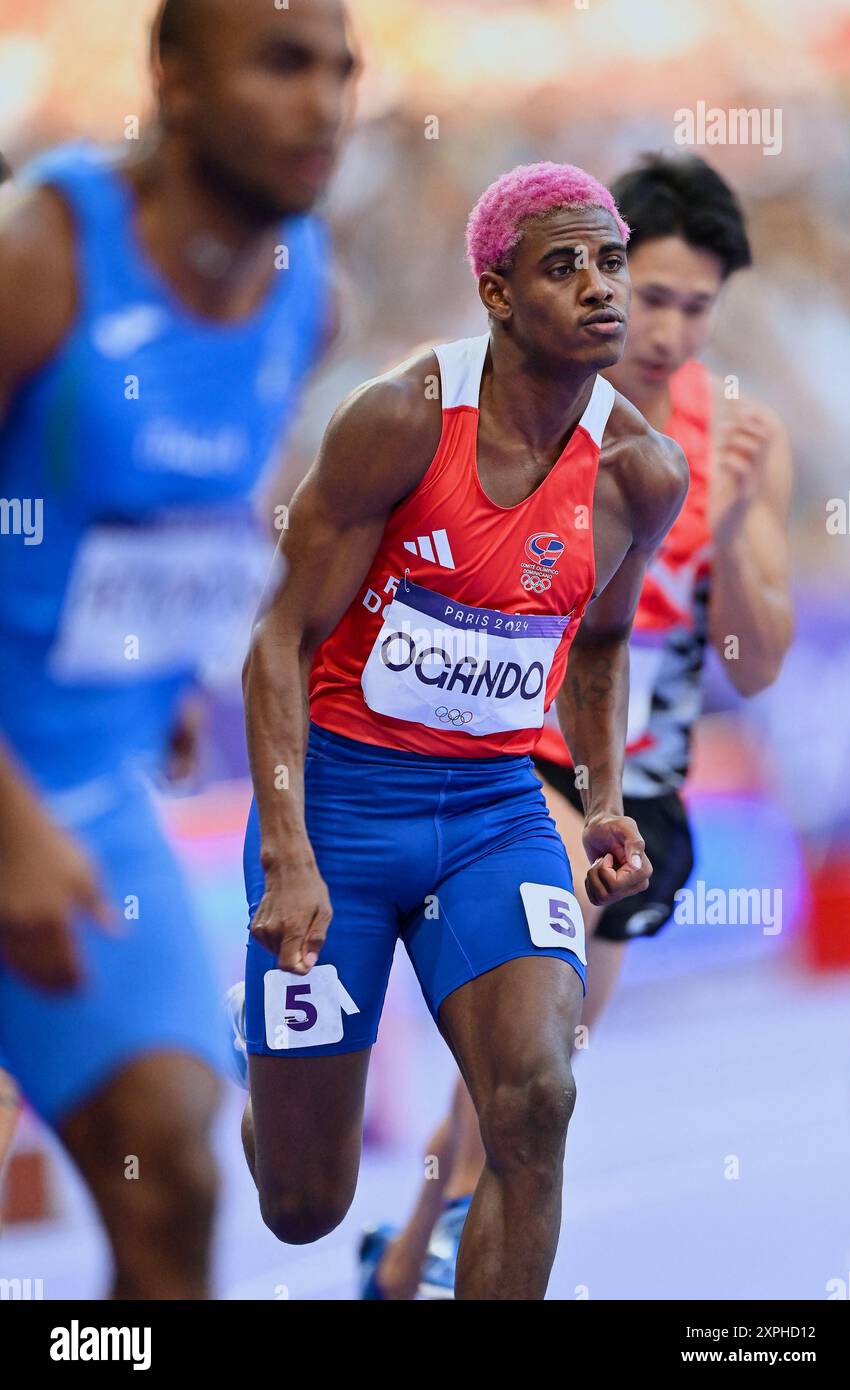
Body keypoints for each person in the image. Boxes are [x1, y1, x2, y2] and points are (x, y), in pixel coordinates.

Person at [229, 159, 689, 1301]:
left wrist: (598, 802)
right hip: (338, 813)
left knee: (535, 1102)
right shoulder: (399, 420)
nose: (600, 288)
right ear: (494, 292)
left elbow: (593, 645)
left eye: (611, 261)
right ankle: (269, 1070)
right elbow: (275, 640)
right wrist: (287, 855)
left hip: (491, 818)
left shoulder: (638, 472)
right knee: (301, 1204)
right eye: (562, 264)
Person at [361, 152, 794, 1300]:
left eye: (694, 308)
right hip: (511, 754)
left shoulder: (735, 436)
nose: (659, 328)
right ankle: (451, 1228)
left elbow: (755, 665)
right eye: (642, 292)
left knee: (547, 1053)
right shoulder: (524, 407)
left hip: (636, 775)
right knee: (531, 955)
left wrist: (739, 517)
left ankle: (408, 1257)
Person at [0, 0, 356, 1296]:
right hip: (14, 798)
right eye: (279, 64)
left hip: (90, 780)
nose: (323, 102)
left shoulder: (304, 294)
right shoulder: (39, 255)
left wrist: (167, 652)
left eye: (340, 69)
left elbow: (193, 497)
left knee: (175, 1162)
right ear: (174, 80)